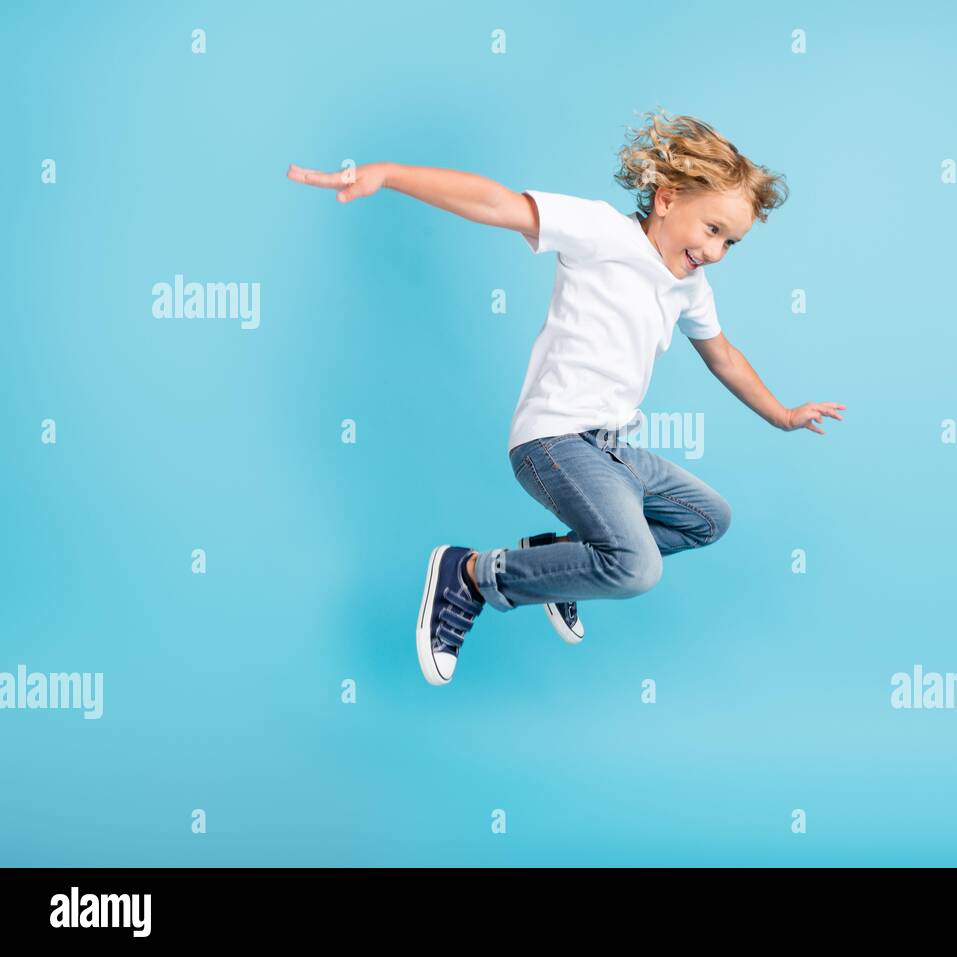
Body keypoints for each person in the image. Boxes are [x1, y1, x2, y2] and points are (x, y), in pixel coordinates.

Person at [287, 109, 845, 686]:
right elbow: (499, 204)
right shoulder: (601, 231)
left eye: (732, 242)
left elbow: (723, 355)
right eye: (712, 230)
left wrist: (782, 414)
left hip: (612, 450)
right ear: (667, 198)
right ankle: (471, 575)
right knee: (634, 568)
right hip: (554, 440)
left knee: (707, 519)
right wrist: (391, 173)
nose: (718, 251)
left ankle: (557, 555)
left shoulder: (689, 287)